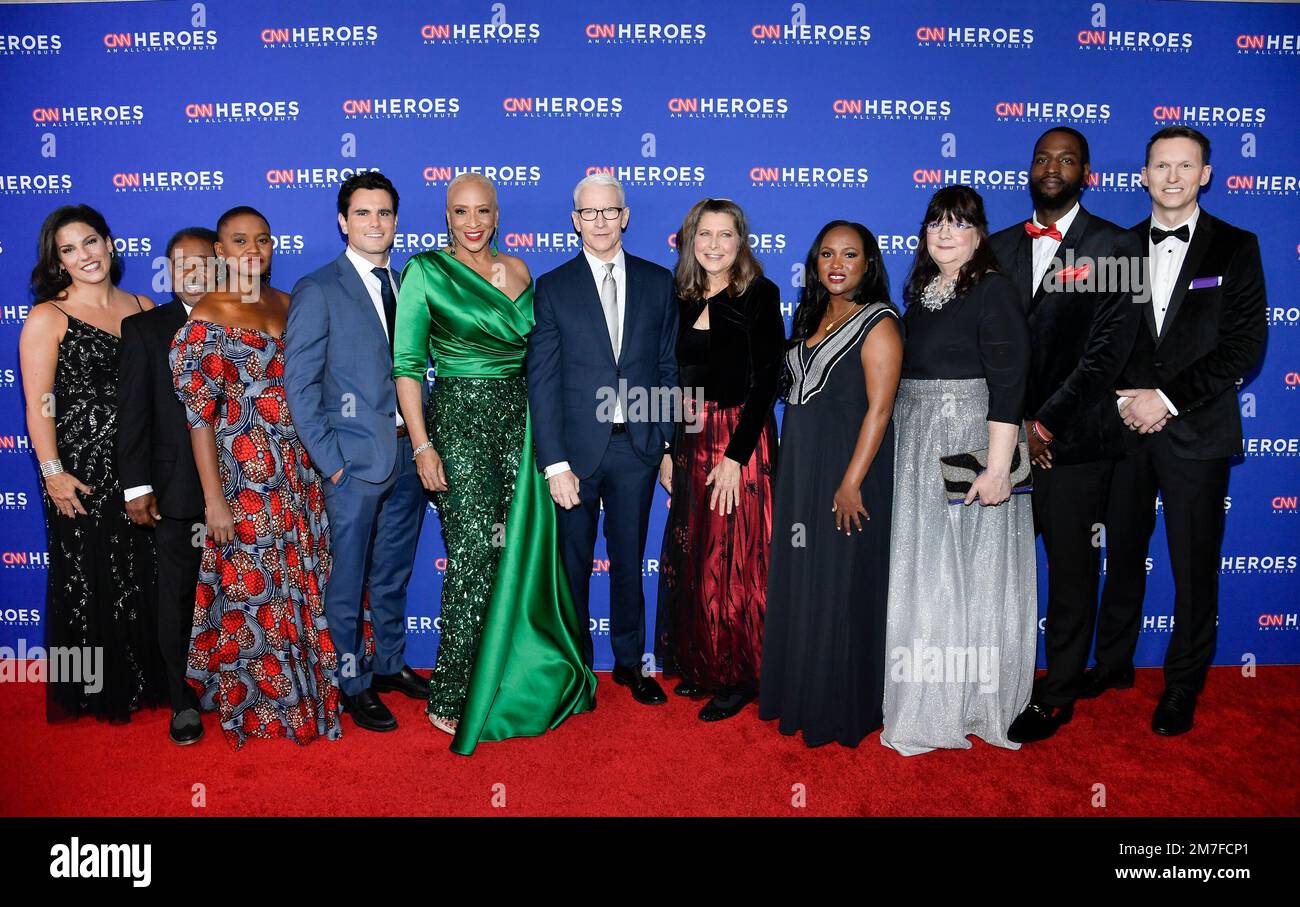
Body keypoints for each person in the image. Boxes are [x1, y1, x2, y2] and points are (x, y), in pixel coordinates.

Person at [394, 172, 596, 753]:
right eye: (461, 212)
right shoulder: (425, 272)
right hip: (457, 420)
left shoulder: (521, 272)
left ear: (498, 214)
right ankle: (454, 694)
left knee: (519, 549)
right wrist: (422, 443)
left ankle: (508, 678)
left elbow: (541, 355)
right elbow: (408, 364)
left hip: (522, 422)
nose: (474, 223)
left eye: (484, 211)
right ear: (447, 218)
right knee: (475, 550)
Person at [1093, 126, 1267, 735]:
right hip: (1122, 431)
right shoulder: (1114, 248)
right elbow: (1100, 338)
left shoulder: (1236, 246)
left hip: (1196, 432)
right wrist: (1117, 399)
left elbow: (1244, 346)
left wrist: (1166, 398)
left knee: (1194, 565)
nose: (1172, 176)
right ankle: (1111, 665)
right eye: (1161, 165)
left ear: (1206, 175)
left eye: (1184, 166)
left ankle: (1183, 683)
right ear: (1143, 175)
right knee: (1120, 555)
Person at [988, 127, 1145, 745]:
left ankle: (1056, 694)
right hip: (999, 441)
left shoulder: (1116, 246)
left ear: (1087, 172)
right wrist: (1008, 428)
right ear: (1029, 169)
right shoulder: (997, 247)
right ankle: (998, 681)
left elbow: (1108, 354)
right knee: (997, 568)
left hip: (1071, 443)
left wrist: (1045, 423)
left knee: (1072, 571)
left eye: (1067, 159)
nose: (1053, 167)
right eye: (1043, 158)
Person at [170, 205, 345, 747]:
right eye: (240, 240)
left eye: (263, 240)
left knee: (303, 581)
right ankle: (263, 706)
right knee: (257, 590)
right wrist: (214, 501)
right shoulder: (207, 316)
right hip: (243, 475)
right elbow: (200, 420)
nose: (253, 249)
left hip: (298, 470)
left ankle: (309, 694)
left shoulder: (291, 305)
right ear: (220, 251)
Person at [880, 187, 1036, 756]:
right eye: (935, 223)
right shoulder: (919, 293)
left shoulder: (993, 289)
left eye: (959, 223)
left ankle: (972, 700)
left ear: (979, 233)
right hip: (920, 444)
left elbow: (1009, 383)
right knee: (932, 569)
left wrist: (999, 470)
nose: (945, 232)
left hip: (973, 444)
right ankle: (927, 692)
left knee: (973, 570)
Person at [526, 173, 680, 706]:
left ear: (626, 215)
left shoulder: (659, 283)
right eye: (589, 213)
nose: (600, 221)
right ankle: (576, 670)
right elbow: (541, 382)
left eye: (609, 211)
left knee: (630, 560)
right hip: (576, 457)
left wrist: (663, 446)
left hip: (635, 448)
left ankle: (632, 665)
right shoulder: (553, 286)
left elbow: (666, 368)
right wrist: (554, 462)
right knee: (570, 565)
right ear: (575, 220)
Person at [285, 172, 428, 734]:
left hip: (407, 456)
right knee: (345, 583)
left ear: (396, 220)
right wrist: (334, 463)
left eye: (385, 213)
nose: (376, 224)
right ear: (343, 221)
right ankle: (352, 683)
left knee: (391, 574)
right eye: (363, 214)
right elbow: (300, 385)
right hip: (354, 466)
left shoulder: (408, 284)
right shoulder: (319, 288)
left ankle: (389, 665)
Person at [19, 204, 166, 723]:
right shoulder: (48, 315)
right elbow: (40, 401)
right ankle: (95, 688)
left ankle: (146, 676)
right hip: (78, 467)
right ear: (57, 261)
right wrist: (52, 471)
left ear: (109, 243)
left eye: (90, 242)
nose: (84, 255)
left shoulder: (144, 305)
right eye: (69, 249)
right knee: (89, 573)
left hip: (139, 465)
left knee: (141, 569)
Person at [758, 221, 901, 748]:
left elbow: (881, 410)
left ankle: (839, 708)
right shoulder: (811, 316)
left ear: (869, 264)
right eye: (826, 254)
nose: (836, 264)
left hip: (848, 475)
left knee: (841, 587)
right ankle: (799, 694)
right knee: (806, 582)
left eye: (849, 254)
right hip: (802, 470)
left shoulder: (880, 323)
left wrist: (851, 482)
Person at [654, 198, 785, 722]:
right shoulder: (680, 294)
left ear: (741, 240)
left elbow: (766, 382)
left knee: (738, 558)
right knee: (698, 555)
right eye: (703, 234)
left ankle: (741, 673)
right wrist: (667, 446)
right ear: (689, 241)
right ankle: (705, 663)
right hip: (689, 437)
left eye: (724, 235)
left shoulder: (759, 294)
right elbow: (669, 376)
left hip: (740, 441)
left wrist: (736, 455)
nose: (713, 245)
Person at [117, 226, 219, 744]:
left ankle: (234, 686)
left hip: (246, 486)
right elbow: (132, 414)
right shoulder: (145, 328)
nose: (193, 272)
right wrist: (136, 486)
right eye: (182, 264)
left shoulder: (245, 321)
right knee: (178, 597)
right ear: (169, 271)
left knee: (235, 592)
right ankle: (182, 701)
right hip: (176, 490)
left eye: (203, 262)